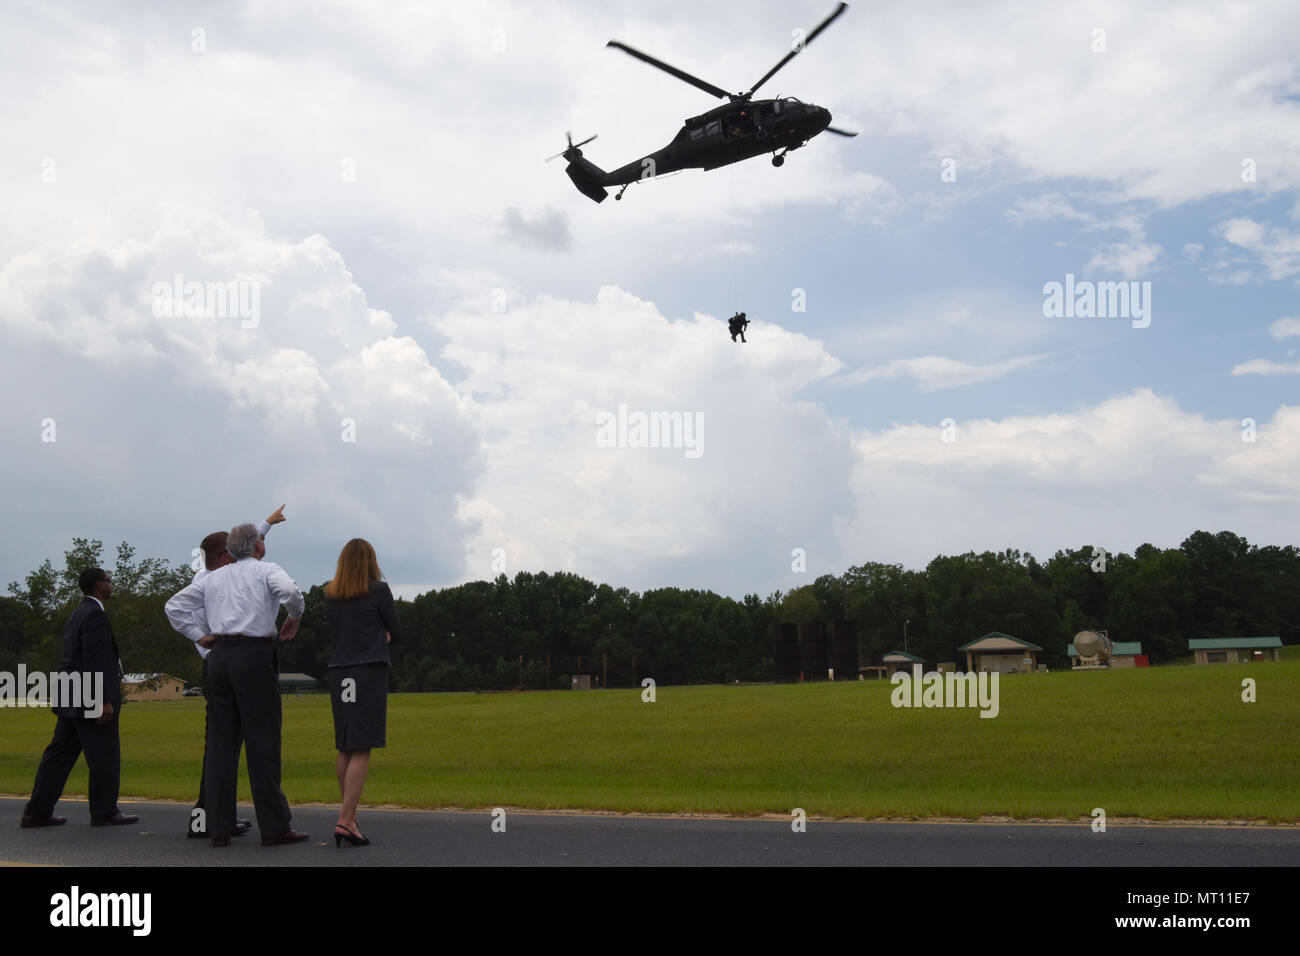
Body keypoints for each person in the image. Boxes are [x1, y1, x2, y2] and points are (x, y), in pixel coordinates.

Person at [164, 523, 306, 847]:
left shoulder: (212, 578)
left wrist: (199, 636)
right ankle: (275, 827)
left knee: (220, 744)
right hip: (253, 655)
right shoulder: (266, 570)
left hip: (218, 658)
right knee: (262, 743)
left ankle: (219, 826)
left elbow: (173, 607)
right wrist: (294, 617)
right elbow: (291, 593)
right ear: (257, 546)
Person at [22, 568, 138, 828]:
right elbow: (94, 659)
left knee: (58, 755)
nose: (111, 584)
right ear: (99, 585)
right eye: (109, 580)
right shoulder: (95, 614)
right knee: (104, 755)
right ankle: (104, 811)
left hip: (70, 691)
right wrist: (104, 699)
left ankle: (37, 812)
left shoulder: (77, 613)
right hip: (89, 694)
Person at [322, 538, 401, 847]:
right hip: (367, 670)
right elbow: (396, 627)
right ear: (370, 560)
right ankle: (345, 819)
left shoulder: (330, 594)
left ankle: (350, 818)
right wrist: (386, 634)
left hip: (339, 671)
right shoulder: (378, 590)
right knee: (362, 744)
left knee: (345, 744)